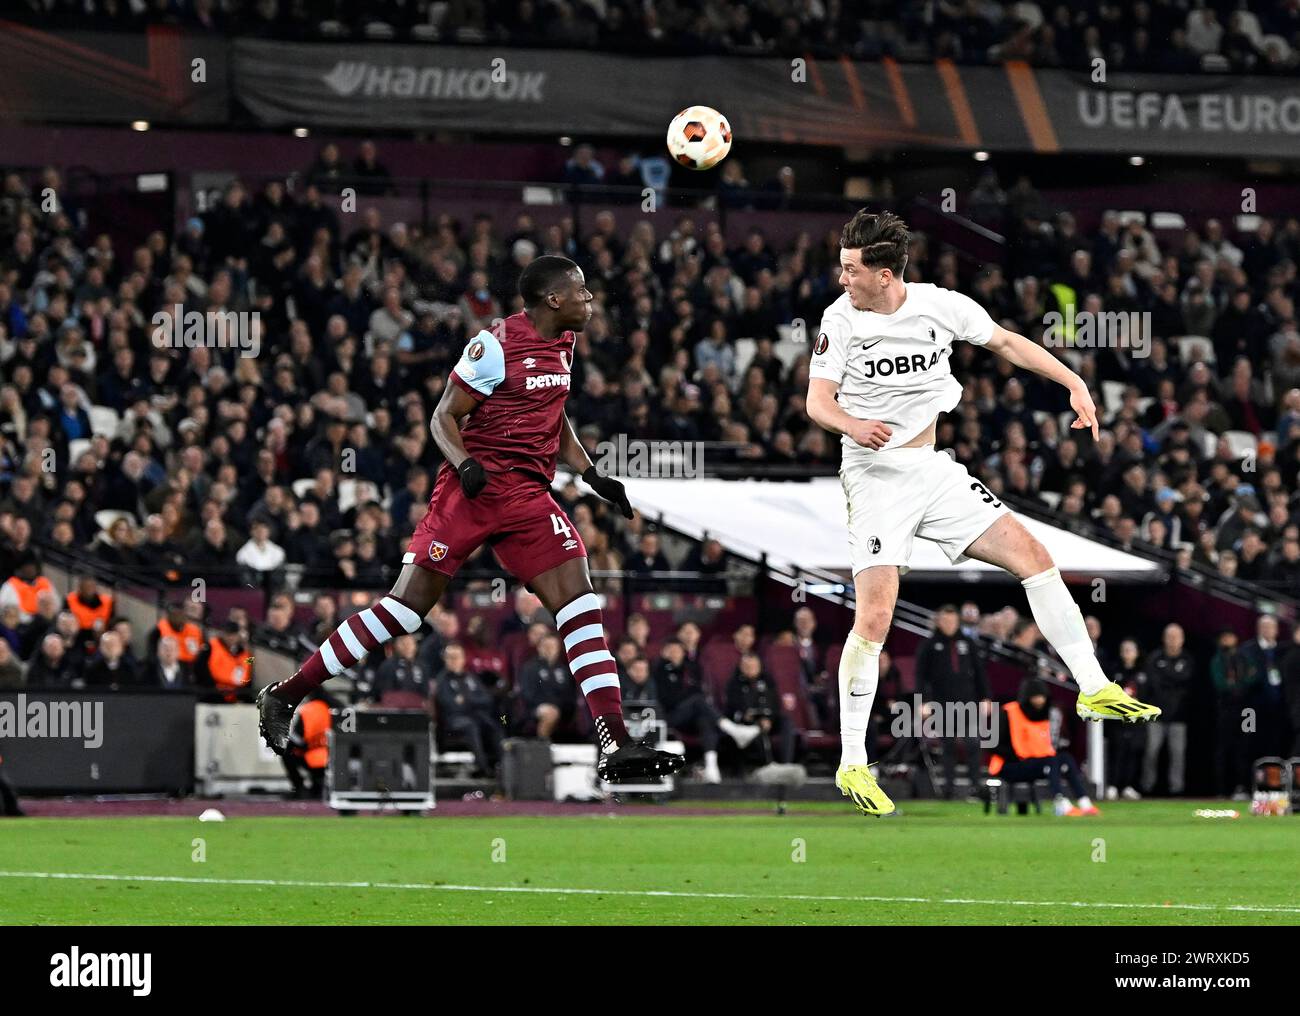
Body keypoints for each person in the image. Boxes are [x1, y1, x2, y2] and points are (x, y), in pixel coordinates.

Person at [259, 256, 682, 783]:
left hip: (528, 496)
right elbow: (442, 415)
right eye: (581, 292)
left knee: (581, 604)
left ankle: (614, 742)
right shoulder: (495, 345)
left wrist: (591, 473)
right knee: (405, 612)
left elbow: (554, 410)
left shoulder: (565, 344)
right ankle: (286, 694)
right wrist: (465, 465)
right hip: (472, 491)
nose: (590, 300)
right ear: (553, 299)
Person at [805, 210, 1159, 817]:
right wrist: (852, 424)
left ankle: (1094, 686)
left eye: (850, 269)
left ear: (884, 275)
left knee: (1036, 557)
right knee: (877, 614)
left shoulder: (940, 305)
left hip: (933, 472)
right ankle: (853, 761)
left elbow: (1006, 342)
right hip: (873, 477)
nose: (841, 278)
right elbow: (817, 402)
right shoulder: (839, 321)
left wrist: (1073, 380)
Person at [989, 677, 1099, 816]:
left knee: (1065, 758)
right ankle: (1061, 804)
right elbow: (992, 744)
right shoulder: (1007, 712)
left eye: (1042, 697)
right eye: (1035, 697)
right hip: (1008, 766)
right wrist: (1015, 756)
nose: (1040, 700)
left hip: (1036, 762)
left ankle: (1085, 802)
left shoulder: (1044, 714)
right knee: (1051, 761)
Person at [914, 604, 990, 800]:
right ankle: (948, 789)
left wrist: (985, 697)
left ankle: (975, 787)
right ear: (939, 621)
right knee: (948, 746)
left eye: (952, 620)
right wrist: (922, 701)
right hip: (942, 703)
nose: (949, 624)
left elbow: (980, 673)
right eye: (945, 620)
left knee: (973, 744)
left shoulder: (968, 643)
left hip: (968, 702)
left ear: (958, 621)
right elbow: (920, 676)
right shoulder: (930, 645)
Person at [434, 643, 502, 778]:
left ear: (463, 659)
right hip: (452, 720)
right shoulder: (442, 680)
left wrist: (466, 699)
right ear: (445, 660)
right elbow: (450, 705)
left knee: (494, 725)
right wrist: (472, 701)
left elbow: (487, 699)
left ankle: (503, 766)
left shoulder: (470, 677)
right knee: (471, 725)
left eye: (457, 657)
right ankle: (483, 768)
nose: (454, 661)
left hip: (476, 716)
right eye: (450, 657)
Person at [1141, 623, 1194, 796]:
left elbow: (1186, 681)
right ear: (1164, 638)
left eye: (1176, 637)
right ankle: (1147, 787)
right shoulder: (1155, 658)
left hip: (1179, 716)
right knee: (1151, 752)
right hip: (1156, 715)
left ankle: (1176, 789)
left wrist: (1168, 678)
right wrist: (1173, 680)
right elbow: (1154, 683)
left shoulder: (1187, 659)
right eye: (1169, 636)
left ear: (1182, 639)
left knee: (1177, 755)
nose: (1172, 640)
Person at [725, 652, 796, 765]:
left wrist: (769, 719)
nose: (751, 669)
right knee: (754, 733)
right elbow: (732, 708)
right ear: (741, 667)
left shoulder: (767, 681)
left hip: (768, 721)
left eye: (754, 666)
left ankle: (786, 763)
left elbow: (775, 705)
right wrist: (749, 717)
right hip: (746, 723)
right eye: (747, 666)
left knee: (786, 721)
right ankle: (765, 766)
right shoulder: (734, 684)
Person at [1209, 628, 1256, 799]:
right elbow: (1220, 683)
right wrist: (1237, 688)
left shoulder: (1245, 657)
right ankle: (1222, 789)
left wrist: (1240, 687)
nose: (1228, 641)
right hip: (1226, 709)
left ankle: (1242, 787)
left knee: (1245, 746)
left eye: (1231, 637)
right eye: (1225, 638)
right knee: (1224, 748)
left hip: (1247, 711)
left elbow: (1254, 676)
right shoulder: (1217, 660)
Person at [1106, 639, 1148, 800]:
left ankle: (1128, 786)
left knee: (1133, 752)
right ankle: (1113, 786)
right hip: (1118, 719)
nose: (1127, 653)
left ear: (1137, 653)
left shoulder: (1143, 672)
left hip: (1136, 720)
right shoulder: (1114, 671)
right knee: (1117, 751)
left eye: (1130, 650)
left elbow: (1149, 694)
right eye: (1124, 649)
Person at [516, 631, 577, 740]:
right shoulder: (530, 667)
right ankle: (541, 746)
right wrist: (543, 704)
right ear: (539, 648)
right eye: (546, 646)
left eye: (553, 646)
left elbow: (569, 693)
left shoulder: (563, 670)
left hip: (562, 708)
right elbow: (527, 692)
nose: (550, 650)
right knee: (550, 713)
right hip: (536, 707)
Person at [283, 688, 332, 799]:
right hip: (330, 756)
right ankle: (317, 785)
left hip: (311, 756)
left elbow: (297, 739)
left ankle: (299, 787)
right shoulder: (331, 707)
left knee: (287, 753)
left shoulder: (306, 710)